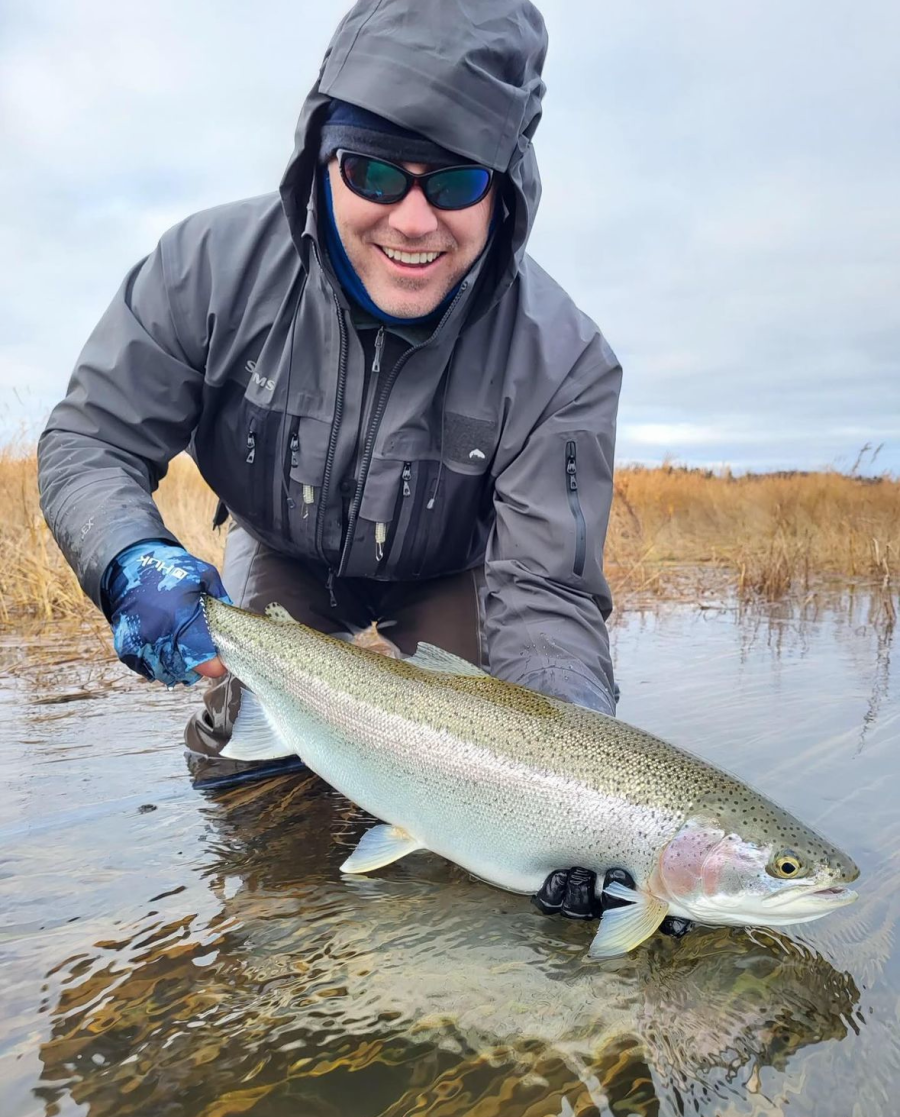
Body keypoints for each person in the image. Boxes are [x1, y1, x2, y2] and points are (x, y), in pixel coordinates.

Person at [40, 0, 692, 934]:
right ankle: (281, 936)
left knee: (508, 805)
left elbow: (545, 593)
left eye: (458, 180)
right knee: (250, 768)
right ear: (322, 160)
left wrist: (578, 790)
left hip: (453, 578)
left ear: (505, 188)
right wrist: (126, 557)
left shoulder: (565, 361)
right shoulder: (208, 269)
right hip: (280, 555)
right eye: (375, 170)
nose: (414, 219)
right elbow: (89, 439)